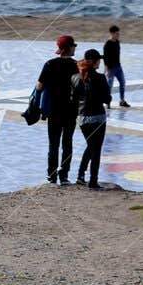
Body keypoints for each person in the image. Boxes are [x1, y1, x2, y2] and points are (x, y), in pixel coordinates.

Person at [34, 33, 79, 185]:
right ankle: (64, 175)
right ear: (68, 48)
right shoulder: (75, 65)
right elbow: (79, 87)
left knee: (53, 144)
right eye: (73, 46)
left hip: (53, 110)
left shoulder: (49, 64)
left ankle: (51, 175)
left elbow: (39, 86)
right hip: (70, 110)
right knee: (67, 143)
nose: (75, 48)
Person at [73, 49, 113, 187]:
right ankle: (93, 180)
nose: (100, 62)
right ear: (95, 62)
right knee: (96, 149)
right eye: (99, 60)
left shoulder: (76, 77)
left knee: (90, 146)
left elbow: (74, 97)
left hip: (83, 118)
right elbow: (107, 99)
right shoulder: (100, 78)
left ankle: (80, 175)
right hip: (98, 118)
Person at [103, 24, 130, 108]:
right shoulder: (107, 44)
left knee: (122, 83)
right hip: (111, 68)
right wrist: (107, 69)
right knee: (109, 86)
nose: (118, 35)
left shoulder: (117, 42)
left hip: (118, 67)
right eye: (117, 34)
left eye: (119, 34)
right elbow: (105, 57)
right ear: (112, 33)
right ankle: (107, 102)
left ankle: (122, 100)